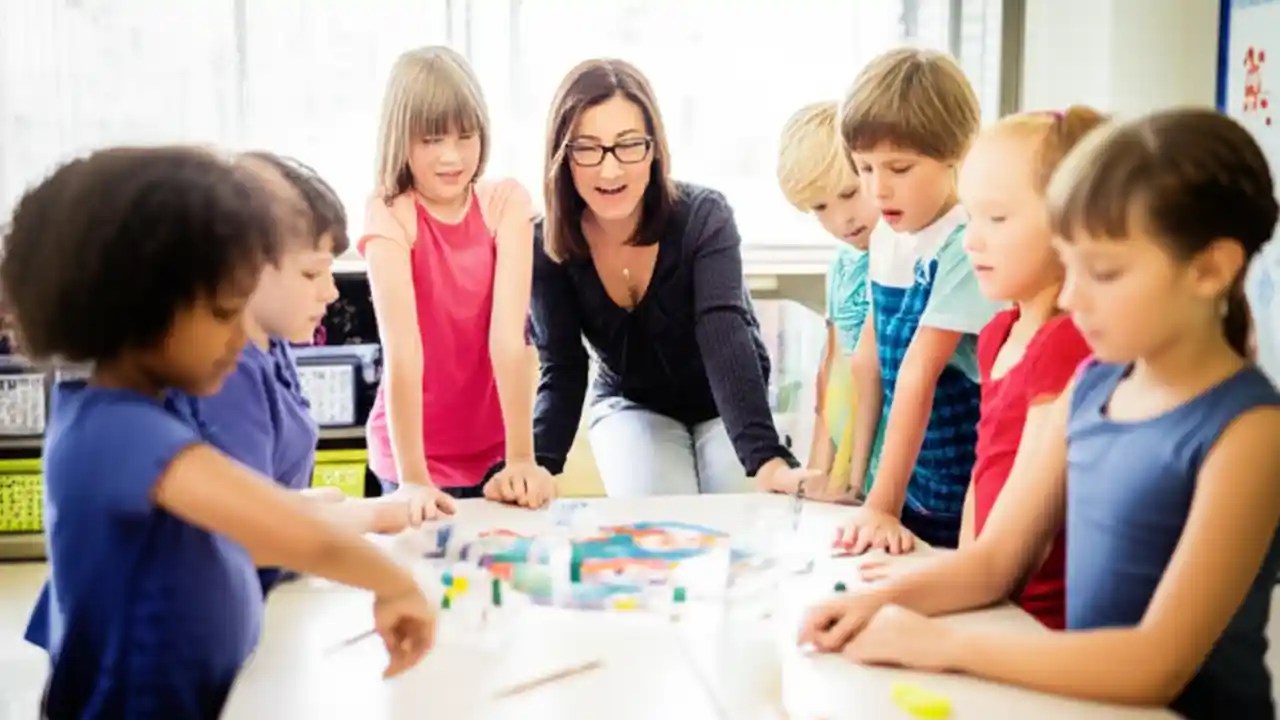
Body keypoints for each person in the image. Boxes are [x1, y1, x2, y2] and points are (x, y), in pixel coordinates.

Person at [800, 109, 1280, 719]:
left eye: (1103, 272)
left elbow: (1156, 666)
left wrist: (942, 644)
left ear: (1211, 268)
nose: (1073, 297)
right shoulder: (1090, 386)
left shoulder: (1252, 431)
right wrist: (878, 602)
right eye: (1069, 264)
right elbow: (996, 560)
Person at [7, 147, 434, 718]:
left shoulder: (131, 417)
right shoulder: (120, 432)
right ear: (142, 309)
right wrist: (393, 582)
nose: (240, 338)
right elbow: (282, 528)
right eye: (222, 313)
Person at [853, 106, 1106, 630]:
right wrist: (960, 581)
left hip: (1045, 622)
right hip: (993, 600)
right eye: (973, 217)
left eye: (998, 218)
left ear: (1074, 224)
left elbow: (1026, 535)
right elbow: (982, 474)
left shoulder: (1071, 346)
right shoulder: (996, 334)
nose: (971, 241)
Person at [527, 58, 818, 497]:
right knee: (661, 519)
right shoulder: (546, 243)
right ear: (562, 156)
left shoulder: (705, 217)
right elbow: (563, 366)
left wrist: (766, 461)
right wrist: (539, 467)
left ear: (654, 149)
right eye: (587, 148)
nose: (610, 170)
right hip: (632, 405)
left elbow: (724, 333)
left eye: (628, 145)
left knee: (737, 514)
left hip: (728, 407)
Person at [168, 152, 415, 594]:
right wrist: (375, 514)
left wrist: (337, 505)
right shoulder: (228, 370)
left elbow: (271, 501)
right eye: (311, 273)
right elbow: (256, 528)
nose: (331, 291)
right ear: (243, 269)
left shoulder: (271, 342)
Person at [361, 45, 554, 521]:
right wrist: (412, 479)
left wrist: (522, 458)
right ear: (400, 140)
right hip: (409, 456)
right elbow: (402, 351)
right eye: (430, 140)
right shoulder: (389, 212)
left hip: (493, 451)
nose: (452, 156)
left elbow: (511, 340)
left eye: (465, 137)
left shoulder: (505, 203)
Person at [836, 48, 1003, 551]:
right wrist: (858, 483)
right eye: (864, 168)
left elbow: (918, 372)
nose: (878, 188)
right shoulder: (888, 233)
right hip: (910, 483)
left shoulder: (964, 244)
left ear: (956, 155)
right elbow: (868, 360)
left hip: (960, 493)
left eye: (899, 167)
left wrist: (879, 505)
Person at [775, 100, 883, 497]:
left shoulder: (906, 259)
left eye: (850, 194)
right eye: (821, 207)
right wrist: (818, 473)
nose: (842, 219)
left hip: (892, 468)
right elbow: (832, 373)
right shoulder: (841, 267)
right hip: (845, 463)